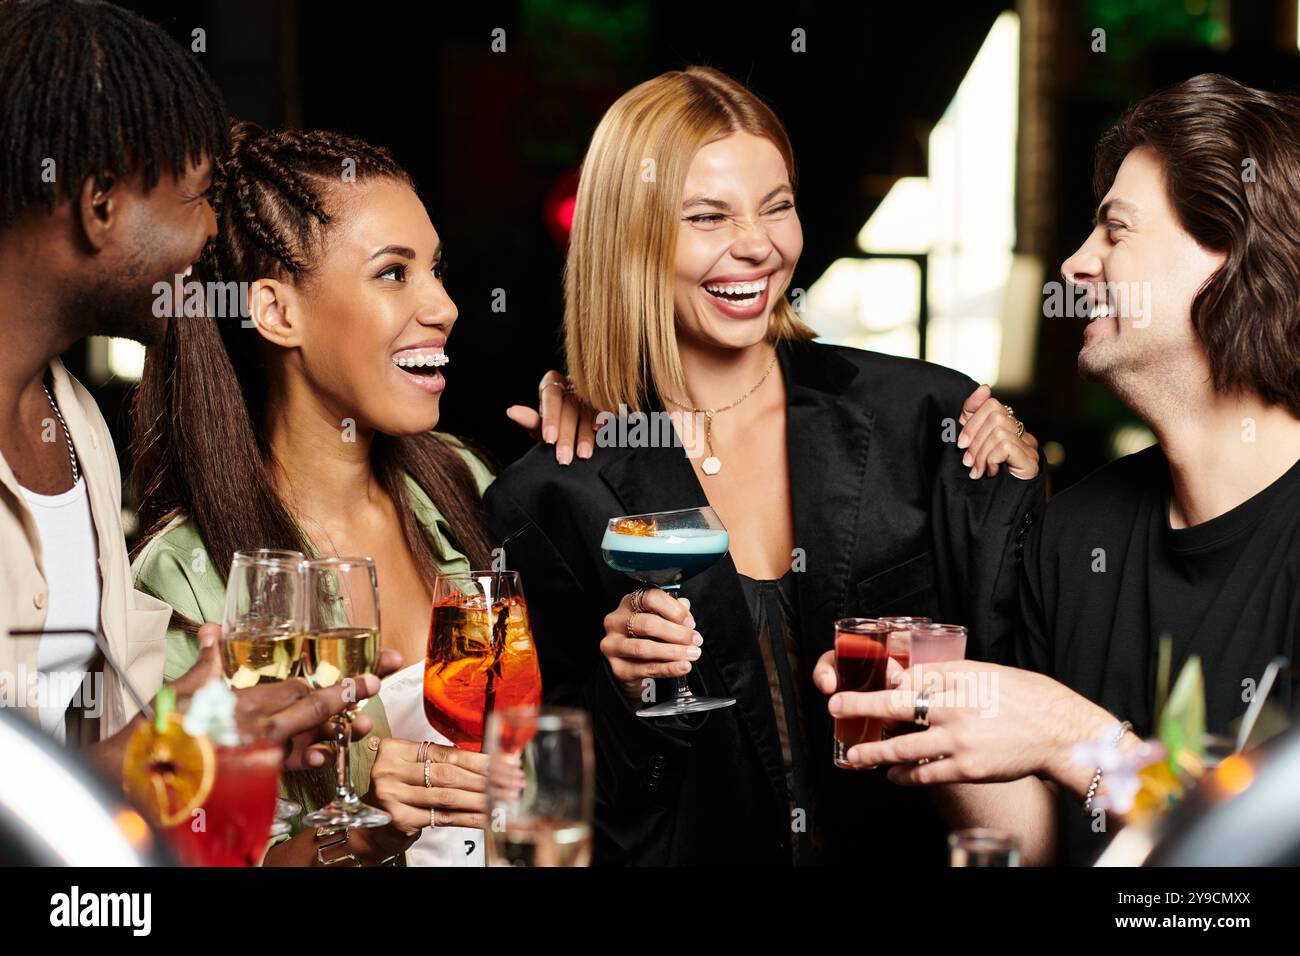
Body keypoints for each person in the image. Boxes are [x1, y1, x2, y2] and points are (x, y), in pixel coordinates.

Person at [481, 66, 1045, 865]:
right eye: (708, 216)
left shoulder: (930, 421)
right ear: (627, 238)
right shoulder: (549, 496)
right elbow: (556, 814)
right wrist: (629, 690)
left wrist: (1026, 486)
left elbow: (1025, 695)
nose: (758, 245)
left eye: (777, 206)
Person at [818, 73, 1300, 865]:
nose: (1076, 264)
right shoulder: (1079, 531)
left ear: (1231, 253)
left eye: (1115, 230)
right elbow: (1047, 840)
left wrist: (1080, 738)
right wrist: (943, 722)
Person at [0, 0, 388, 787]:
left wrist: (216, 729)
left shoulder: (75, 425)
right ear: (100, 202)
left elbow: (98, 731)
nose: (211, 231)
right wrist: (151, 756)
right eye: (197, 195)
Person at [130, 121, 534, 866]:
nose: (442, 305)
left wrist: (583, 470)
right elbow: (188, 856)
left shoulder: (461, 485)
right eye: (393, 273)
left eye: (436, 270)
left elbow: (570, 738)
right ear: (277, 312)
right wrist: (362, 828)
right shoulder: (184, 574)